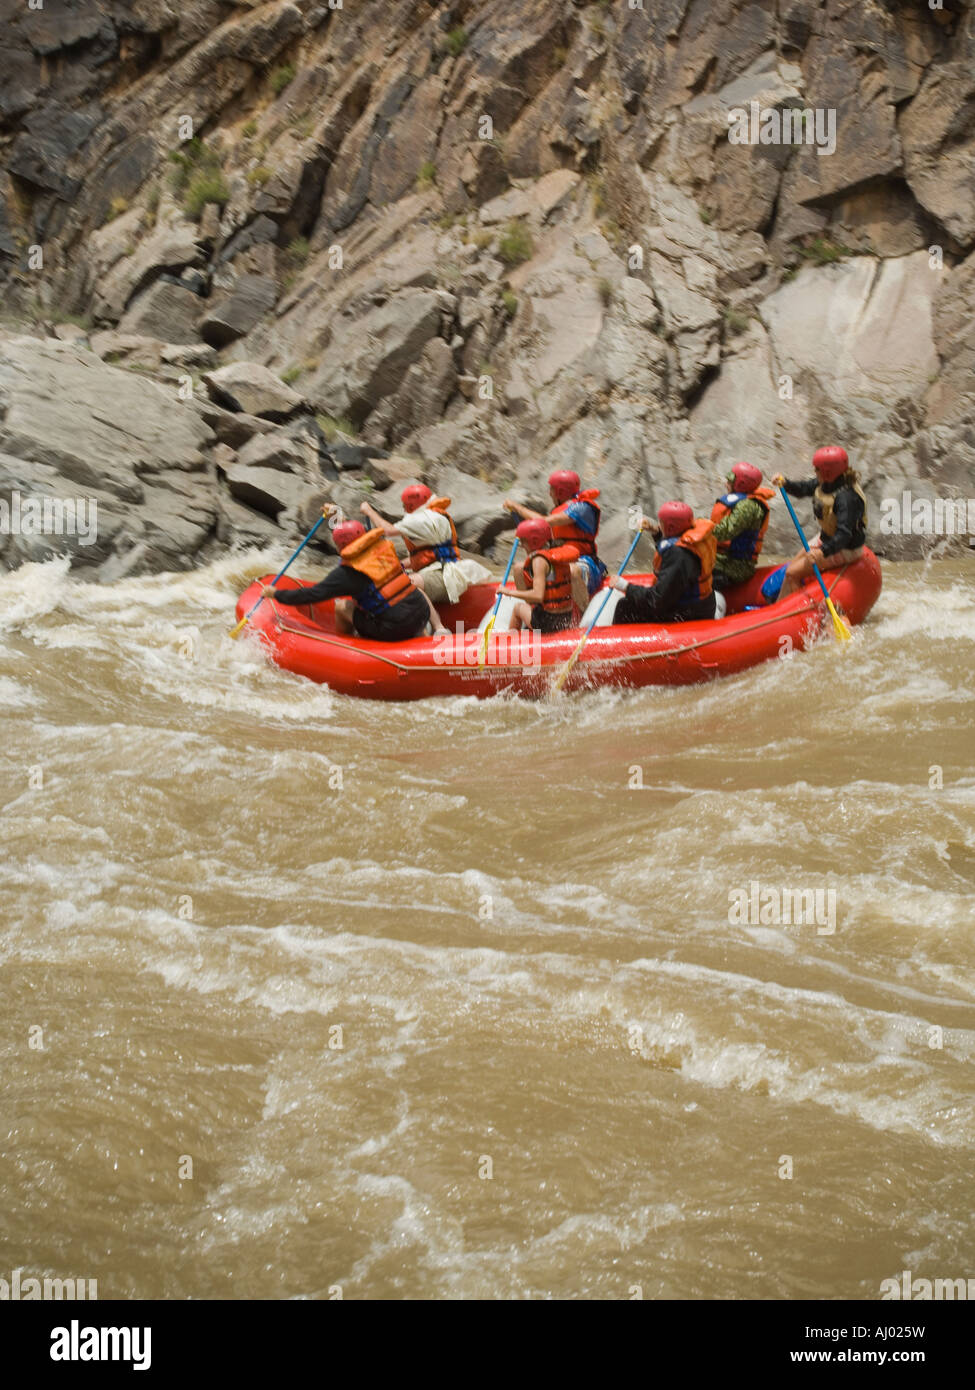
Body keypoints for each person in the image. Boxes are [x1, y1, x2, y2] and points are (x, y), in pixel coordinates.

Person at [262, 512, 445, 640]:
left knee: (342, 607)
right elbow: (351, 533)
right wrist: (335, 515)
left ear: (340, 546)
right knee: (404, 594)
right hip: (422, 613)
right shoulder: (382, 547)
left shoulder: (347, 573)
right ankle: (425, 636)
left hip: (395, 627)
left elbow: (312, 595)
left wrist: (276, 594)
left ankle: (347, 646)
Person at [360, 484, 490, 604]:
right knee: (397, 579)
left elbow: (388, 531)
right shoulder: (433, 516)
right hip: (443, 570)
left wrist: (369, 511)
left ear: (410, 505)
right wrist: (399, 565)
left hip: (443, 575)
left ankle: (434, 625)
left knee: (401, 584)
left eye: (404, 506)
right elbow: (428, 555)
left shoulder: (424, 519)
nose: (404, 509)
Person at [503, 469, 607, 612]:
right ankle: (535, 614)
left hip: (585, 562)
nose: (550, 493)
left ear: (561, 491)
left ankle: (585, 614)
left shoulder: (582, 508)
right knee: (520, 568)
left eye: (552, 489)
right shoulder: (560, 509)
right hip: (559, 560)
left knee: (572, 570)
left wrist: (518, 508)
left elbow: (545, 522)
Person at [772, 446, 867, 598]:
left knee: (792, 573)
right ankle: (778, 605)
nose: (815, 471)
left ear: (828, 472)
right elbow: (803, 489)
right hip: (828, 539)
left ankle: (798, 611)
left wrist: (821, 552)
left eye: (817, 469)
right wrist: (785, 483)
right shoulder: (826, 483)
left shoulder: (847, 499)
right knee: (792, 566)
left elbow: (844, 535)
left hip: (846, 548)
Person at [610, 503, 717, 623]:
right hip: (699, 606)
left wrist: (625, 586)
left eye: (661, 523)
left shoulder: (679, 556)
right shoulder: (688, 542)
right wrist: (656, 532)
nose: (659, 525)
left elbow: (657, 600)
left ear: (671, 527)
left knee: (625, 607)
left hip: (688, 614)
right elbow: (673, 543)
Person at [500, 517, 580, 633]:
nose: (521, 545)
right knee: (535, 608)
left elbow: (538, 596)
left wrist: (508, 592)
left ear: (534, 541)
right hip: (565, 618)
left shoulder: (539, 561)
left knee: (518, 608)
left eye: (523, 541)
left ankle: (510, 645)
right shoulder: (553, 555)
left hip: (547, 622)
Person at [710, 462, 777, 591]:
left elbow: (726, 531)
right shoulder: (743, 503)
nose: (726, 484)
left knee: (690, 565)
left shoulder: (748, 506)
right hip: (722, 558)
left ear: (740, 484)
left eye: (729, 481)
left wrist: (695, 528)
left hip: (735, 565)